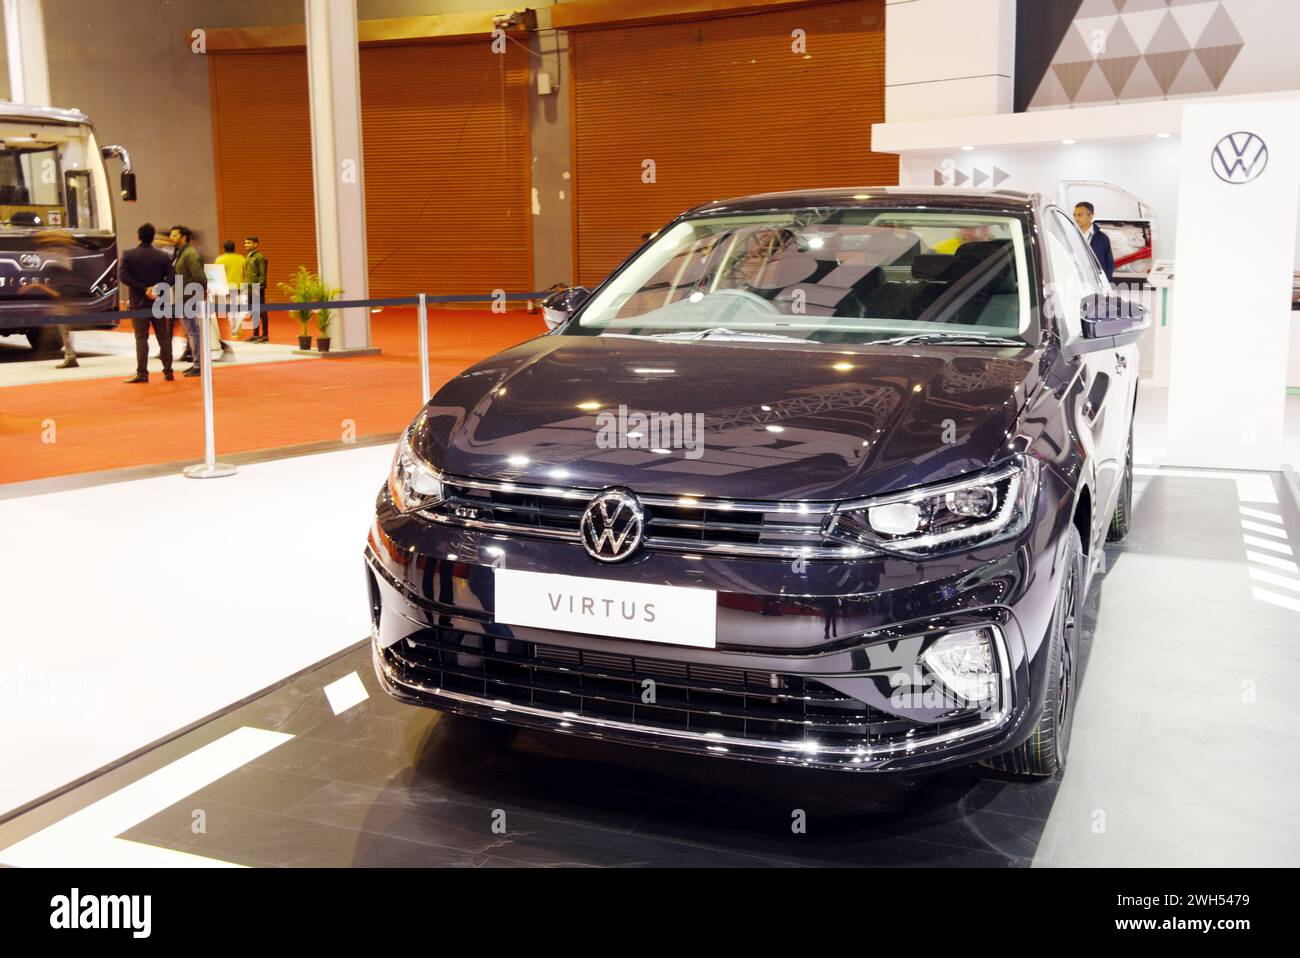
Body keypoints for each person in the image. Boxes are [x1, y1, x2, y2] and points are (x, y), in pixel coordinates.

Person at [120, 223, 176, 383]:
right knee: (163, 337)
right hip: (159, 303)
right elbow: (172, 277)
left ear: (138, 236)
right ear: (152, 238)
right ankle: (168, 372)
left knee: (141, 338)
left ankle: (142, 373)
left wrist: (144, 289)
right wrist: (156, 289)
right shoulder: (163, 256)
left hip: (138, 303)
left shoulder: (128, 254)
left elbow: (124, 276)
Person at [1073, 201, 1115, 283]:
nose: (1076, 218)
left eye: (1080, 215)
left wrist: (1105, 283)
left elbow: (1109, 264)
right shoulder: (1070, 235)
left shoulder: (1102, 238)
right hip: (1076, 283)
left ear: (1090, 216)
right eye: (1074, 215)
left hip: (1097, 284)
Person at [243, 235, 268, 342]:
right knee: (254, 312)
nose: (246, 245)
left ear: (255, 244)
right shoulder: (248, 256)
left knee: (261, 312)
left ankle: (265, 335)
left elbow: (262, 275)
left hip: (257, 289)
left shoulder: (259, 257)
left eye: (249, 243)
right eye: (245, 243)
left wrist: (259, 288)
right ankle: (255, 334)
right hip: (249, 288)